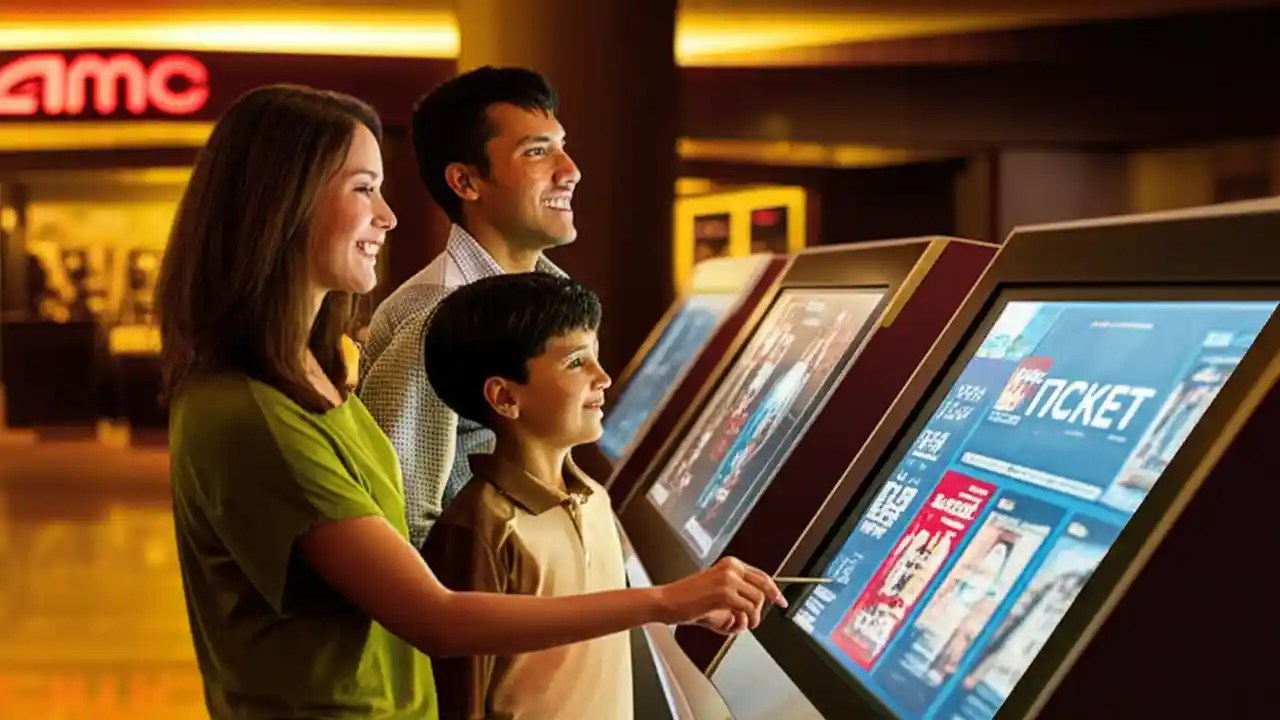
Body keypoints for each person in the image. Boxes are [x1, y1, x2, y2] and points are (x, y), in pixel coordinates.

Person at [157, 83, 784, 719]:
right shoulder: (256, 410)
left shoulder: (315, 372)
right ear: (281, 203)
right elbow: (436, 609)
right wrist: (664, 601)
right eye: (361, 188)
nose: (388, 215)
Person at [359, 66, 578, 549]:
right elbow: (403, 523)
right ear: (465, 181)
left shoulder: (542, 299)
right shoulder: (438, 318)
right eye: (537, 152)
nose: (570, 170)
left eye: (561, 145)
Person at [420, 273, 652, 719]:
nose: (602, 378)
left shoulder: (596, 499)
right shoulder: (481, 526)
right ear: (505, 396)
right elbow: (458, 697)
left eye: (596, 358)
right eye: (575, 363)